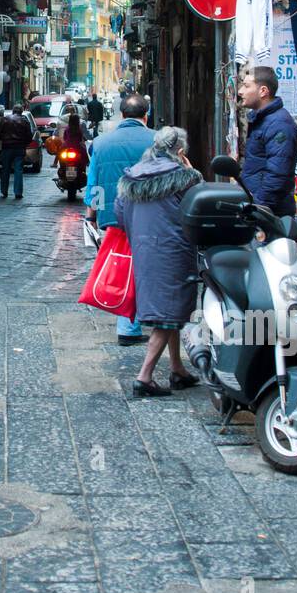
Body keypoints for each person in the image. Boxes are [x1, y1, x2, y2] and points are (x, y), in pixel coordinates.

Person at [114, 126, 203, 397]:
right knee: (167, 314)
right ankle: (145, 376)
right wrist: (192, 172)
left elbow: (120, 214)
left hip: (144, 252)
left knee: (169, 310)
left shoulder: (133, 176)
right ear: (180, 151)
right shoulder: (185, 178)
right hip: (174, 253)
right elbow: (198, 211)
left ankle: (177, 369)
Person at [84, 93, 154, 345]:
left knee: (122, 266)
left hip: (113, 214)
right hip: (150, 214)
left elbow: (94, 182)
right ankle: (131, 324)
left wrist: (92, 214)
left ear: (121, 115)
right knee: (146, 267)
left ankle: (129, 322)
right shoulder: (156, 140)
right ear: (146, 116)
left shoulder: (101, 143)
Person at [239, 66, 297, 216]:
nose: (240, 91)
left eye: (246, 86)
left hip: (270, 212)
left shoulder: (279, 124)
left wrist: (258, 207)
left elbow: (278, 173)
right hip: (261, 208)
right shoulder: (262, 119)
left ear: (263, 91)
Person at [0, 103, 29, 200]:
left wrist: (3, 140)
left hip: (7, 147)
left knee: (5, 169)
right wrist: (24, 143)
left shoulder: (5, 119)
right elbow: (29, 136)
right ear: (21, 112)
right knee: (18, 170)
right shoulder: (24, 121)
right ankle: (18, 192)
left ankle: (4, 191)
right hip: (19, 147)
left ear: (13, 110)